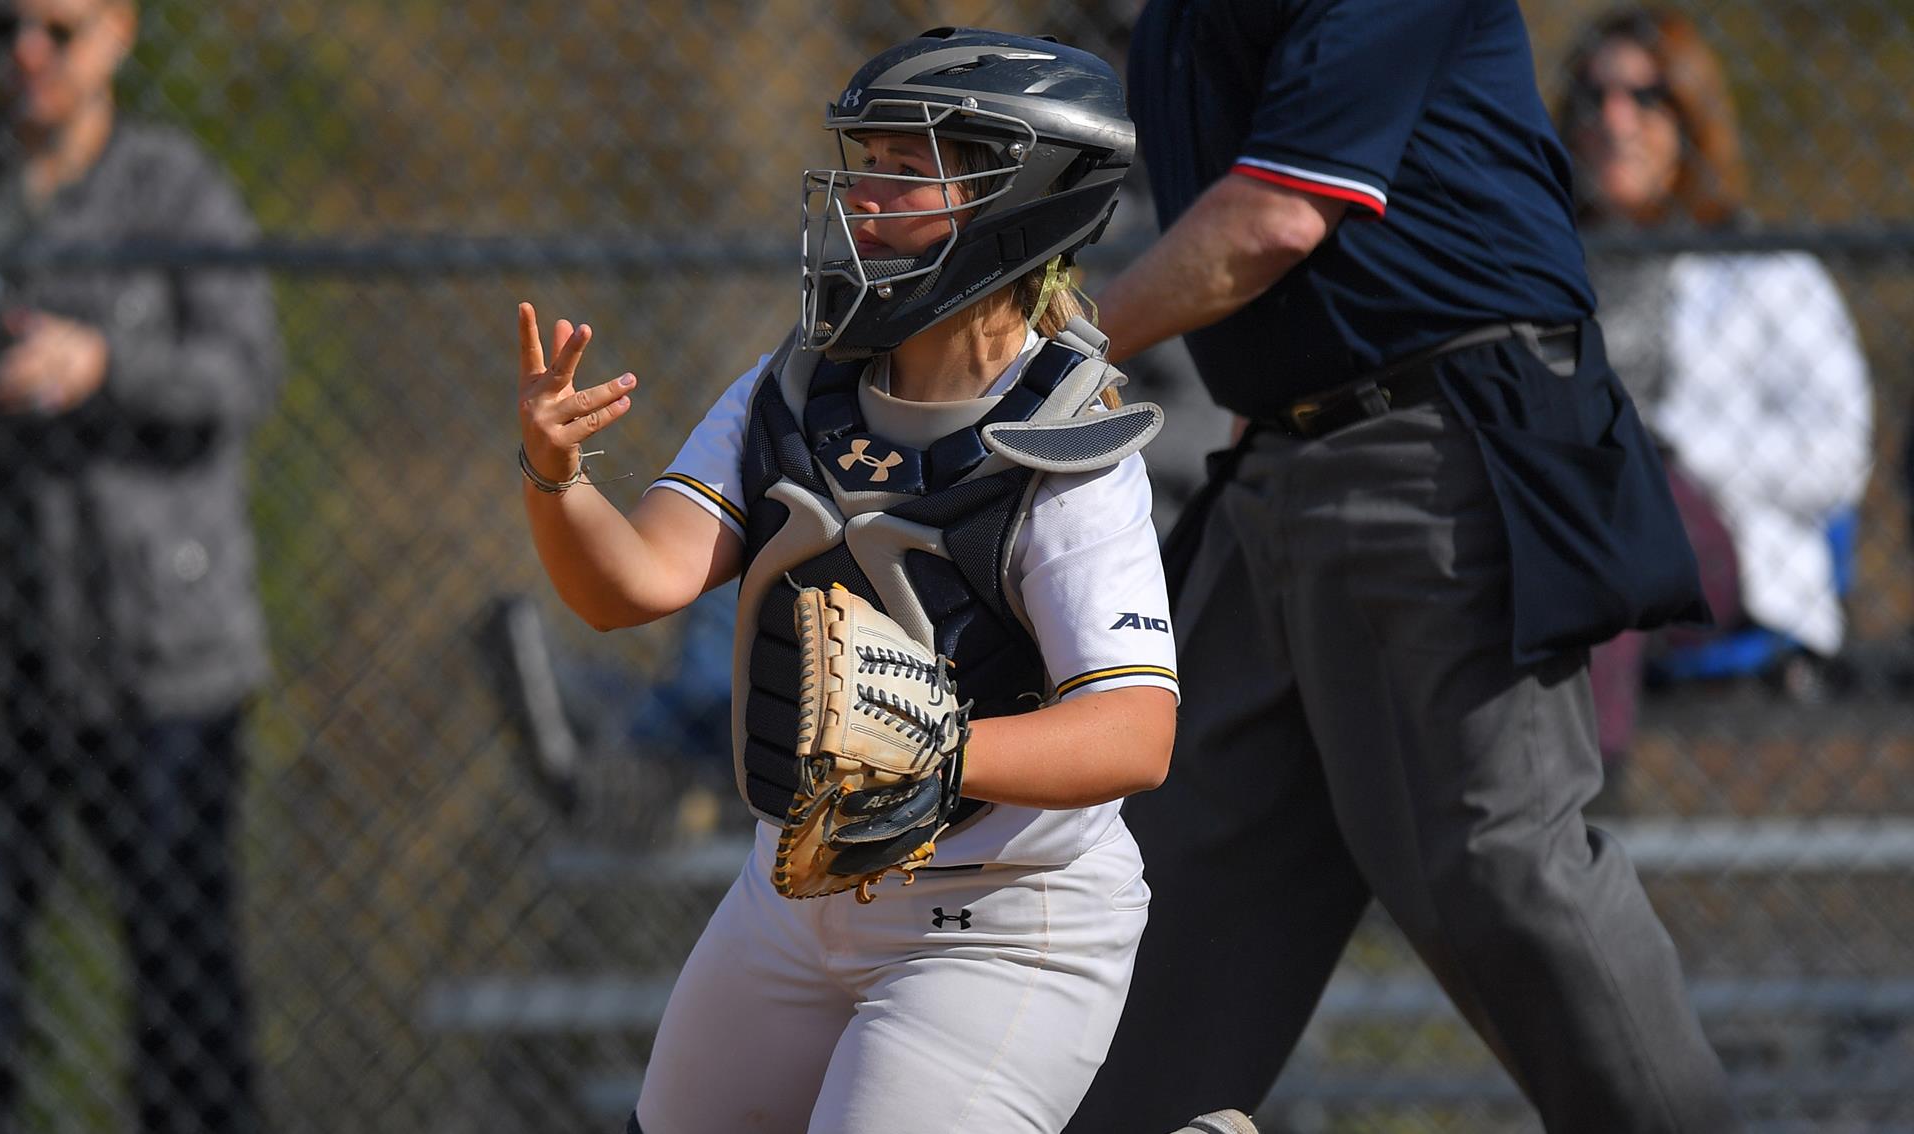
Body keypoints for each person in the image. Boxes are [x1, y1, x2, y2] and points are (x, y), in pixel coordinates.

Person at [1065, 2, 1741, 1132]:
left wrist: (1026, 355)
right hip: (1278, 462)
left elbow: (1278, 216)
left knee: (1502, 870)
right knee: (1169, 884)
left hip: (1435, 445)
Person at [512, 28, 1182, 1132]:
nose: (862, 195)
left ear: (1015, 203)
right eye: (865, 162)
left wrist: (939, 751)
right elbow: (628, 584)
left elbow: (1135, 733)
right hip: (793, 890)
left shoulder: (1068, 440)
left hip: (1001, 920)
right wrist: (553, 474)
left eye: (905, 169)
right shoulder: (794, 385)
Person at [0, 1, 282, 1131]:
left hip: (157, 661)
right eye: (4, 29)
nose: (28, 54)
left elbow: (243, 372)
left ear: (119, 33)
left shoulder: (176, 191)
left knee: (185, 1004)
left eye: (59, 30)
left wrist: (103, 366)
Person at [1558, 8, 1872, 769]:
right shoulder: (1542, 273)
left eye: (1646, 97)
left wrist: (1678, 450)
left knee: (1616, 508)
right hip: (1560, 508)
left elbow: (1839, 453)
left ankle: (1580, 784)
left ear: (1692, 117)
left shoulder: (1767, 272)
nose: (1614, 120)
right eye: (1594, 97)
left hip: (1709, 529)